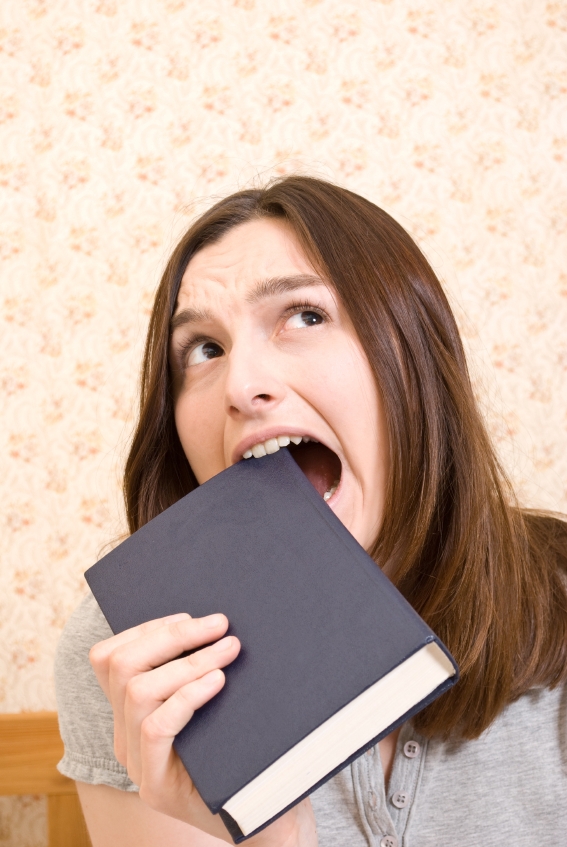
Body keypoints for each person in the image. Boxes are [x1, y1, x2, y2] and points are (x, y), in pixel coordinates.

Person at [55, 176, 567, 847]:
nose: (240, 385)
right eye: (203, 350)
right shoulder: (133, 657)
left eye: (303, 315)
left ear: (411, 355)